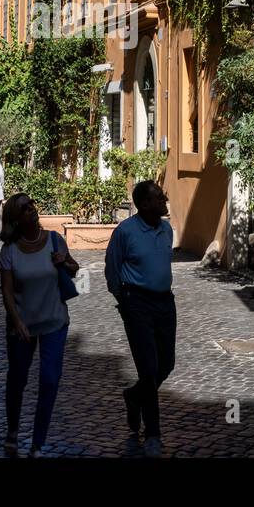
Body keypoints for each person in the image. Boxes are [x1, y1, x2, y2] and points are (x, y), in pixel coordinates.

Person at [0, 192, 78, 457]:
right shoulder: (9, 250)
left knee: (50, 380)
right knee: (17, 379)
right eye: (24, 208)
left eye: (31, 204)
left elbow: (73, 268)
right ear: (15, 220)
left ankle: (38, 441)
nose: (31, 209)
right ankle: (12, 430)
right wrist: (17, 321)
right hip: (22, 326)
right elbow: (7, 291)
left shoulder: (54, 240)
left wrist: (64, 262)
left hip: (54, 320)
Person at [104, 180, 176, 457]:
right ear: (144, 204)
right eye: (159, 197)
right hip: (137, 304)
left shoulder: (166, 229)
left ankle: (134, 396)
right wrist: (124, 301)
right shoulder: (125, 232)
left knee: (166, 363)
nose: (165, 199)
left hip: (165, 303)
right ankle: (153, 433)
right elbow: (112, 269)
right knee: (148, 369)